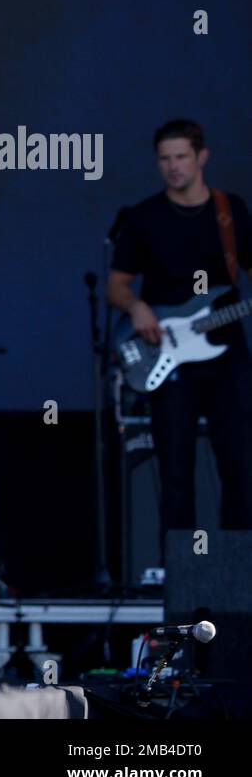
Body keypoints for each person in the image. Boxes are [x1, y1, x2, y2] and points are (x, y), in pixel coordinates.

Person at [107, 119, 252, 567]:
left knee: (241, 467)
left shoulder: (231, 212)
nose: (173, 167)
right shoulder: (142, 218)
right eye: (165, 159)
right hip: (169, 359)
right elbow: (117, 285)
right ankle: (181, 577)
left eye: (181, 157)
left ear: (202, 157)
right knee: (175, 472)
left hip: (227, 355)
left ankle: (238, 574)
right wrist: (136, 308)